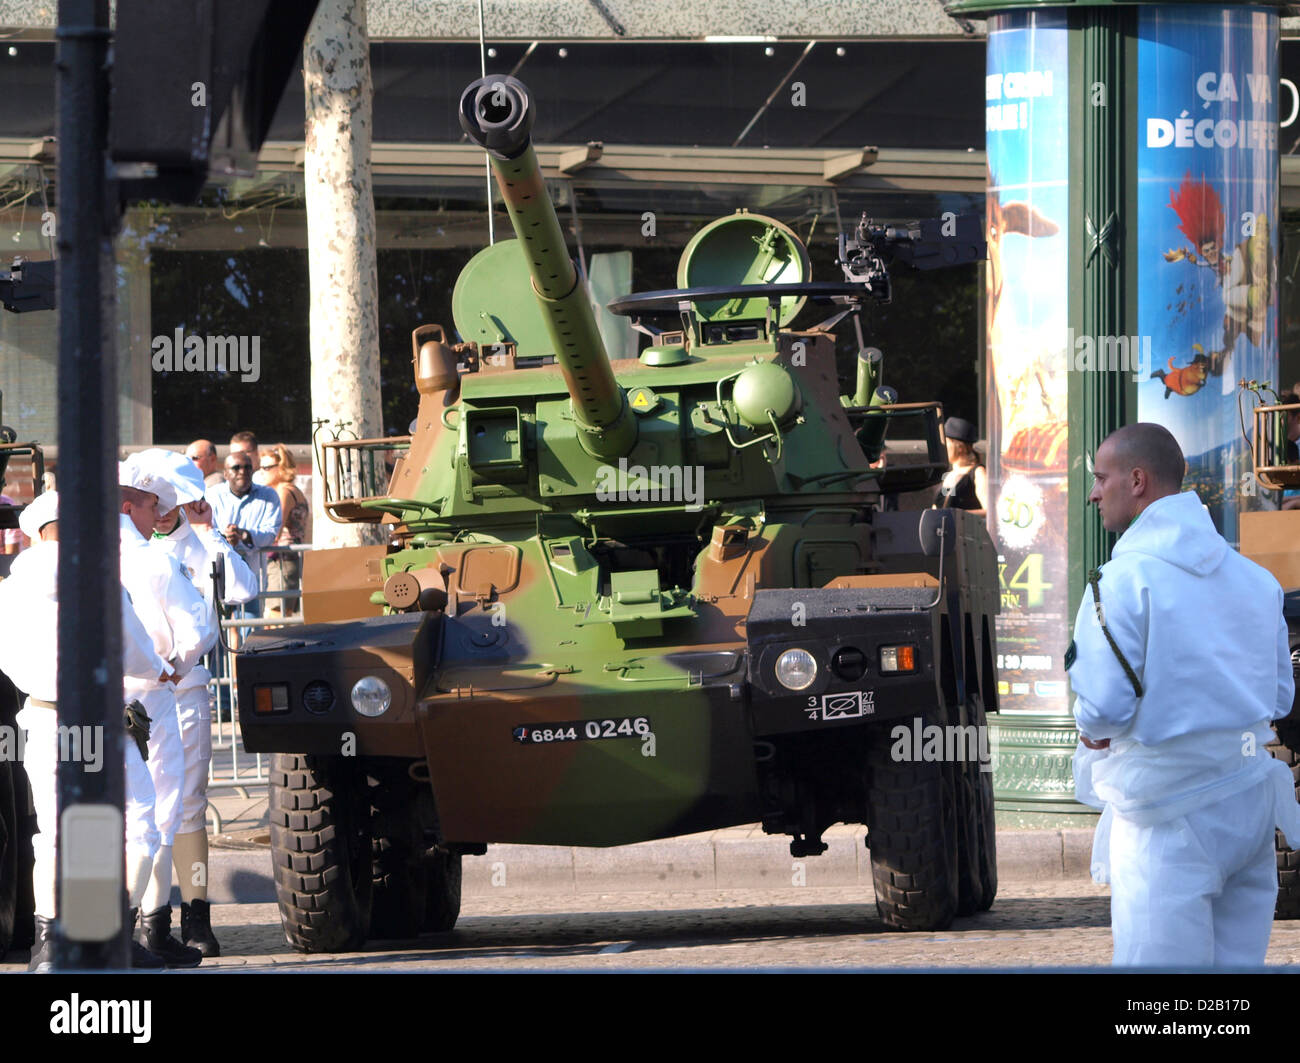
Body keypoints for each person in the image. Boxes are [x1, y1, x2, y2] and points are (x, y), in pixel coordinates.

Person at [1069, 422, 1299, 967]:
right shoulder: (1256, 580)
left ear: (1139, 480)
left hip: (1163, 818)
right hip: (1245, 808)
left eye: (1102, 478)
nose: (1095, 492)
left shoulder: (1120, 581)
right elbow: (1280, 698)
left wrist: (1091, 730)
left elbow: (1102, 708)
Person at [0, 491, 174, 970]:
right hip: (99, 720)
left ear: (37, 534)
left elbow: (6, 660)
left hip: (41, 715)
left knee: (52, 832)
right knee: (138, 822)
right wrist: (159, 669)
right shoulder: (101, 581)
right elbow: (137, 653)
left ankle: (50, 944)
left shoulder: (10, 589)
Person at [148, 450, 257, 955]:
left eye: (176, 499)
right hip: (138, 691)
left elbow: (242, 587)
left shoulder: (199, 541)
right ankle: (151, 918)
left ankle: (195, 916)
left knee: (188, 807)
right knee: (142, 809)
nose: (167, 509)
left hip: (187, 688)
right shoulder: (129, 544)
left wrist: (210, 533)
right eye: (157, 500)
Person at [120, 456, 211, 967]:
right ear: (135, 503)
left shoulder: (74, 554)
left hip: (79, 702)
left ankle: (89, 930)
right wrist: (173, 666)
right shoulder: (153, 560)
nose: (160, 514)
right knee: (155, 813)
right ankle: (147, 930)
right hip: (150, 696)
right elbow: (198, 628)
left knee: (88, 816)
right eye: (155, 504)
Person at [204, 451, 281, 613]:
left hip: (252, 575)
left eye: (247, 467)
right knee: (220, 630)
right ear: (225, 473)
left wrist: (244, 535)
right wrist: (225, 538)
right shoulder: (212, 495)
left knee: (251, 631)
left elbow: (271, 532)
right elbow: (205, 529)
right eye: (236, 467)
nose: (243, 472)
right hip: (219, 575)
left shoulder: (268, 496)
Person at [260, 444, 310, 618]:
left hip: (282, 561)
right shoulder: (295, 490)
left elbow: (275, 530)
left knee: (274, 619)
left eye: (266, 467)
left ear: (280, 468)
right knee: (281, 617)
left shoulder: (284, 491)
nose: (262, 472)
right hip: (290, 561)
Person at [934, 416, 987, 515]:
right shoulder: (948, 474)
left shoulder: (978, 472)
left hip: (965, 529)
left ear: (960, 447)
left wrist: (957, 516)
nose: (942, 447)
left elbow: (988, 511)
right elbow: (944, 505)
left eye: (946, 442)